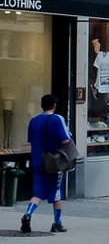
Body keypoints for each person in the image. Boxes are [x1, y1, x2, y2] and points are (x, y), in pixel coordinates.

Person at [20, 94, 72, 235]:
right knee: (56, 192)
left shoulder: (34, 121)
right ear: (54, 105)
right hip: (53, 162)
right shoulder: (57, 119)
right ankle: (57, 222)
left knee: (38, 193)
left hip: (37, 160)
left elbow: (31, 141)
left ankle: (28, 214)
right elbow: (65, 140)